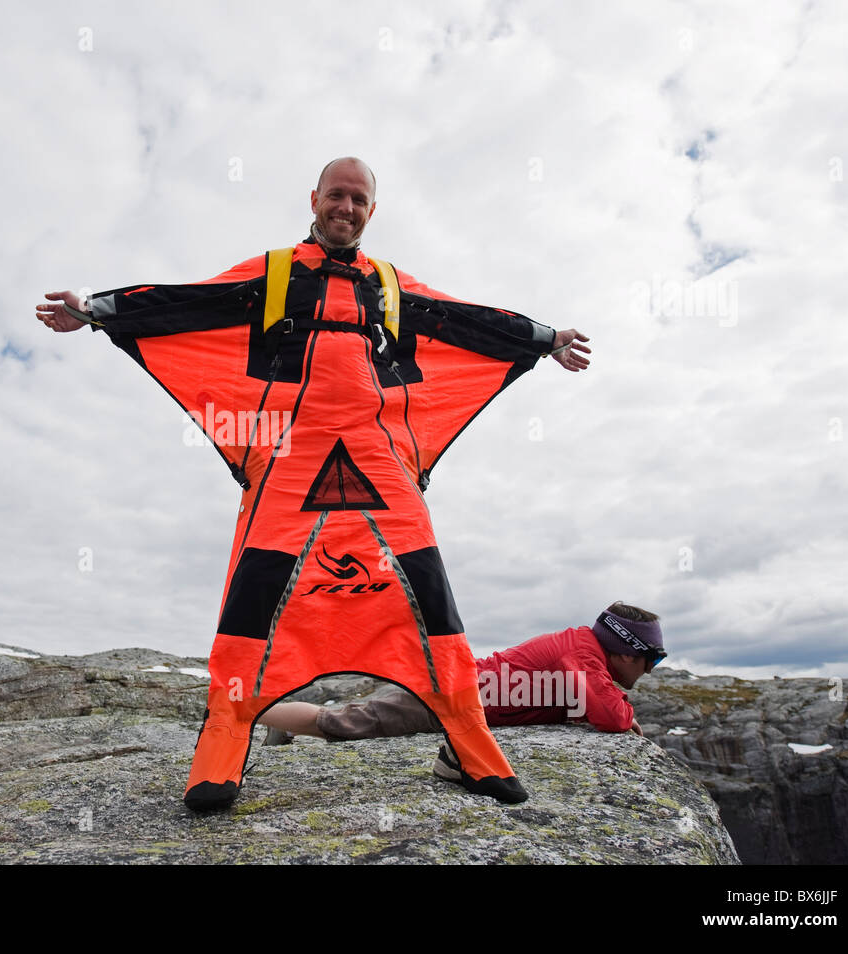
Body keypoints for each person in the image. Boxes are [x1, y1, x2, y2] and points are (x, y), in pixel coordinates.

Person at [35, 158, 591, 810]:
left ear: (371, 211)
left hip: (379, 458)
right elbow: (186, 302)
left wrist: (546, 338)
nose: (346, 208)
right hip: (289, 458)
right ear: (315, 199)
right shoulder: (271, 273)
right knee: (256, 593)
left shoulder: (389, 285)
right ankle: (223, 742)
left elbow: (461, 319)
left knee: (430, 595)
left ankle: (471, 742)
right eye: (336, 195)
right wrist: (97, 311)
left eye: (358, 199)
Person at [258, 603, 666, 779]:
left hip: (458, 691)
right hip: (451, 696)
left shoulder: (582, 650)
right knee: (345, 723)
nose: (651, 669)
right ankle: (246, 711)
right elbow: (610, 716)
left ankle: (277, 724)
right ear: (628, 653)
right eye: (653, 659)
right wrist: (625, 716)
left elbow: (587, 703)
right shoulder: (581, 654)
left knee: (350, 717)